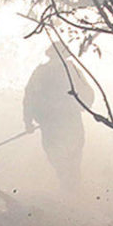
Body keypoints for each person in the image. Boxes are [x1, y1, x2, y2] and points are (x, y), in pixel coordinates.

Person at [24, 43, 86, 190]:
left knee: (72, 158)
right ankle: (69, 188)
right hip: (51, 124)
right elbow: (29, 96)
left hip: (69, 122)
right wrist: (28, 121)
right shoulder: (41, 72)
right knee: (58, 159)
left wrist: (80, 105)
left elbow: (86, 92)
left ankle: (72, 190)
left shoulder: (71, 70)